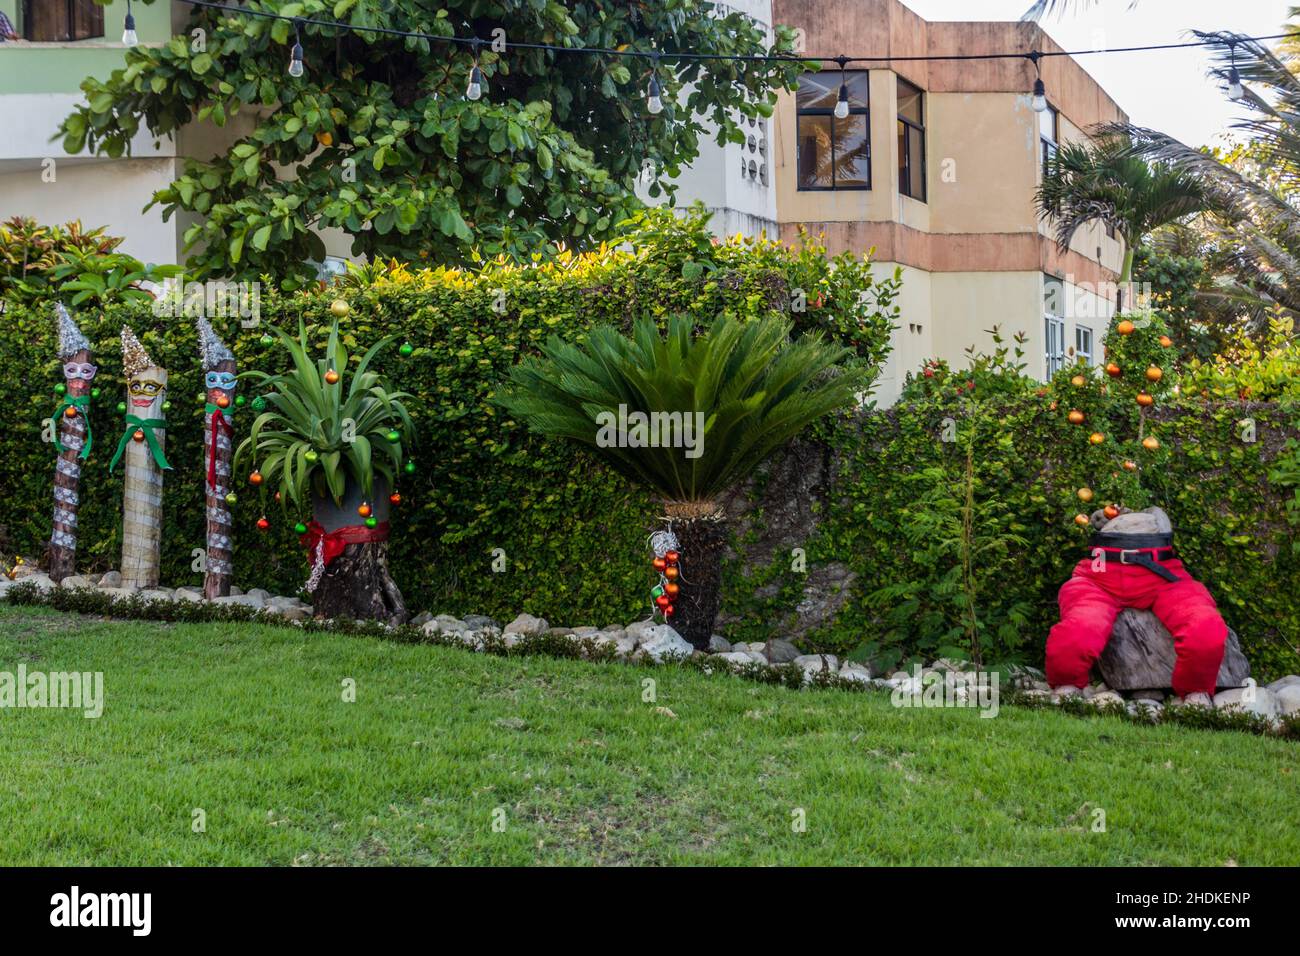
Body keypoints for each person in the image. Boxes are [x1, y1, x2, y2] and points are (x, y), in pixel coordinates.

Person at [1045, 506, 1227, 706]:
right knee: (1080, 628)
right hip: (1100, 576)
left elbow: (1204, 629)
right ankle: (1067, 685)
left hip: (1161, 575)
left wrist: (1196, 686)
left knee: (1204, 626)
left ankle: (1196, 692)